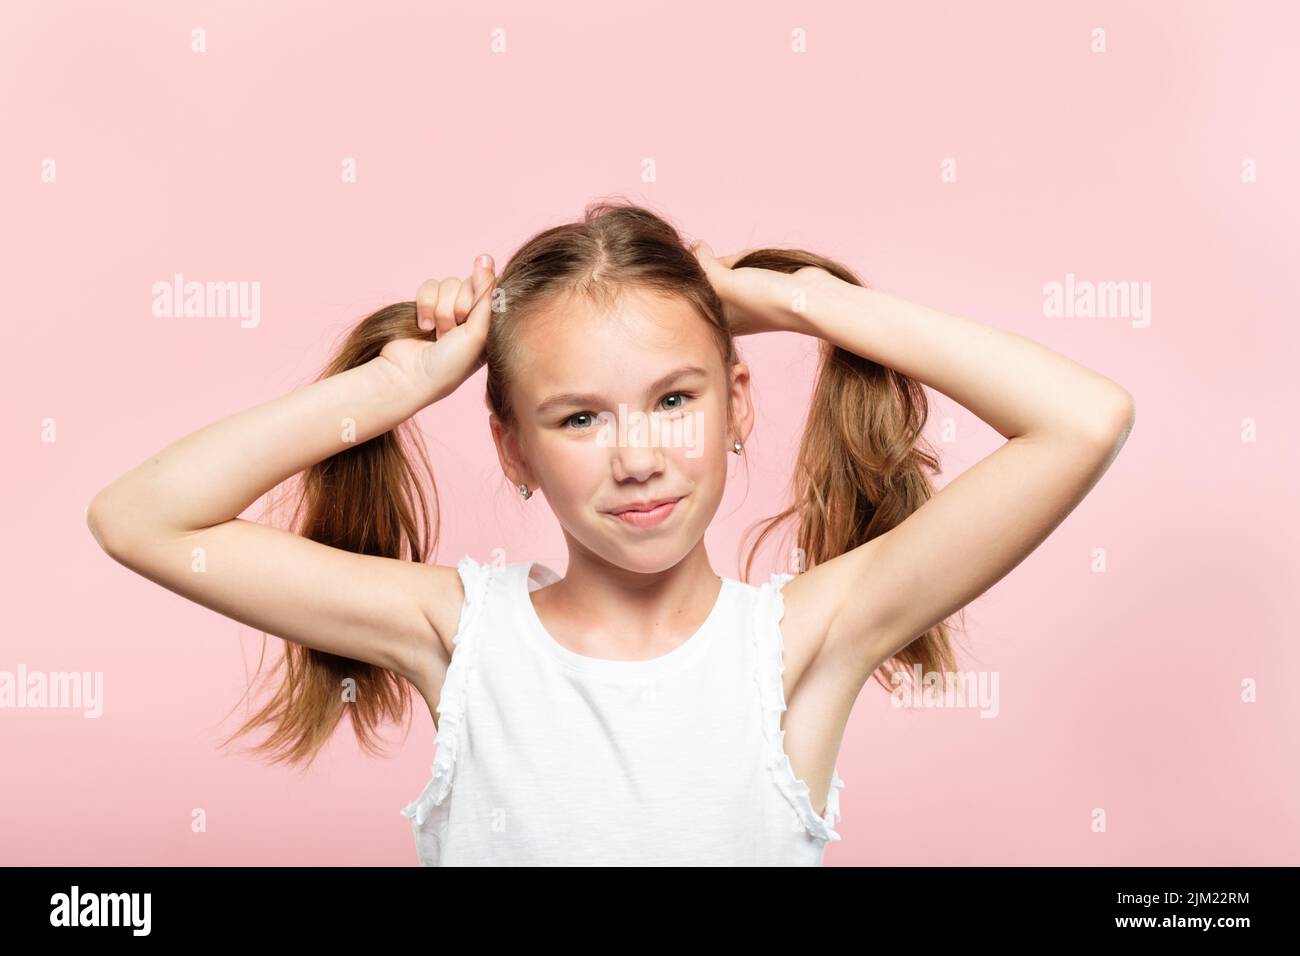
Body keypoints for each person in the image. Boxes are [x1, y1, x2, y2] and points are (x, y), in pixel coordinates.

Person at [86, 199, 1135, 866]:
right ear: (512, 448)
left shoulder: (804, 640)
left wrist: (800, 301)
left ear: (740, 401)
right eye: (579, 416)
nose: (634, 454)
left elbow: (1083, 418)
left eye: (674, 399)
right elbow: (139, 517)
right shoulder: (457, 633)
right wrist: (400, 381)